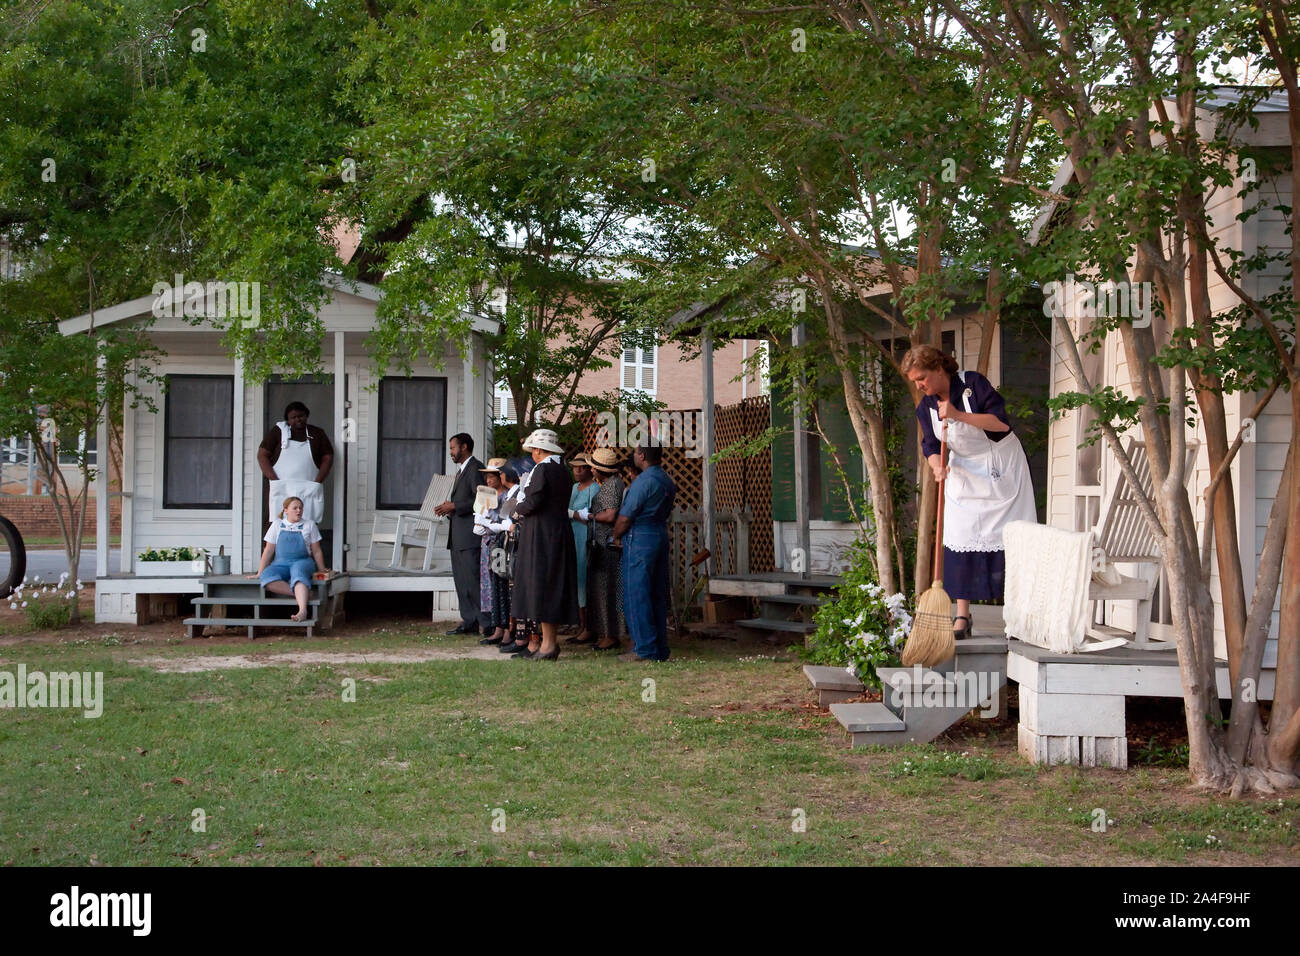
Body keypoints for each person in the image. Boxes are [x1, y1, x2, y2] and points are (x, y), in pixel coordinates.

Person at [903, 344, 1037, 638]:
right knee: (961, 536)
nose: (919, 385)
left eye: (922, 377)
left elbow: (1000, 423)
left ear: (939, 369)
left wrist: (957, 414)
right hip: (963, 472)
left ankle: (1018, 617)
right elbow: (929, 445)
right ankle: (962, 617)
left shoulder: (972, 385)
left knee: (1011, 539)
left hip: (1000, 471)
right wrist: (937, 466)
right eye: (915, 381)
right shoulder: (925, 406)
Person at [509, 428, 579, 661]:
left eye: (533, 451)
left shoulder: (543, 469)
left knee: (543, 586)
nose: (532, 456)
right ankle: (548, 643)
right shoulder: (562, 469)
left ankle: (548, 645)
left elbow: (533, 501)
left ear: (539, 450)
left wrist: (516, 510)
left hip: (542, 535)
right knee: (551, 585)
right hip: (558, 531)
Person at [613, 445, 676, 662]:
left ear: (641, 456)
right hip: (659, 532)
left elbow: (625, 517)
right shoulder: (666, 480)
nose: (633, 456)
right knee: (657, 593)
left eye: (635, 453)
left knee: (637, 593)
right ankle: (660, 649)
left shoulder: (643, 481)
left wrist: (616, 535)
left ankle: (644, 649)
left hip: (640, 536)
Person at [434, 433, 487, 635]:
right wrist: (448, 509)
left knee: (473, 581)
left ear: (464, 447)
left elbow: (482, 499)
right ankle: (469, 622)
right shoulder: (461, 471)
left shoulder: (475, 469)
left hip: (470, 536)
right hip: (457, 536)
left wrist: (455, 505)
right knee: (462, 581)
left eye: (453, 448)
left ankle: (486, 623)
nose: (451, 453)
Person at [257, 401, 334, 527]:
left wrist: (318, 480)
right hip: (282, 487)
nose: (298, 419)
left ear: (307, 416)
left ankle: (307, 547)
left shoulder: (317, 433)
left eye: (301, 416)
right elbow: (262, 455)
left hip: (309, 488)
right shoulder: (278, 432)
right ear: (287, 419)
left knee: (308, 525)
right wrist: (273, 479)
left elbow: (328, 457)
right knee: (278, 524)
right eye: (293, 417)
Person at [251, 496, 326, 623]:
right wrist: (259, 572)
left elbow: (317, 551)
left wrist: (322, 569)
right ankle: (303, 593)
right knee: (266, 577)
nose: (299, 511)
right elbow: (268, 550)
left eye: (300, 508)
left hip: (302, 561)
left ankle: (302, 611)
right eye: (295, 508)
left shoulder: (309, 525)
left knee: (298, 574)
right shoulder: (277, 525)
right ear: (286, 510)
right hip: (281, 563)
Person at [584, 447, 626, 652]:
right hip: (604, 544)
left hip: (606, 545)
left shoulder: (611, 486)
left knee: (606, 590)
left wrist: (586, 516)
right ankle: (606, 633)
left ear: (601, 470)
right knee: (604, 590)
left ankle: (611, 634)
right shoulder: (614, 483)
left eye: (593, 468)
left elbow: (610, 516)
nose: (591, 471)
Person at [564, 452, 600, 645]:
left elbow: (590, 516)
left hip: (584, 536)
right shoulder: (573, 488)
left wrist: (572, 513)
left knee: (584, 579)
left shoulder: (594, 489)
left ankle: (588, 628)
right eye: (575, 467)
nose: (577, 470)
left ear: (589, 470)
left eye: (581, 467)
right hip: (571, 535)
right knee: (575, 579)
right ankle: (579, 624)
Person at [473, 459, 508, 643]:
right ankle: (497, 627)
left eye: (491, 476)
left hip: (501, 543)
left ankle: (506, 627)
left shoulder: (507, 497)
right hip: (487, 542)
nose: (488, 480)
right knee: (490, 582)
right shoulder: (487, 496)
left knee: (501, 583)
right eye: (486, 476)